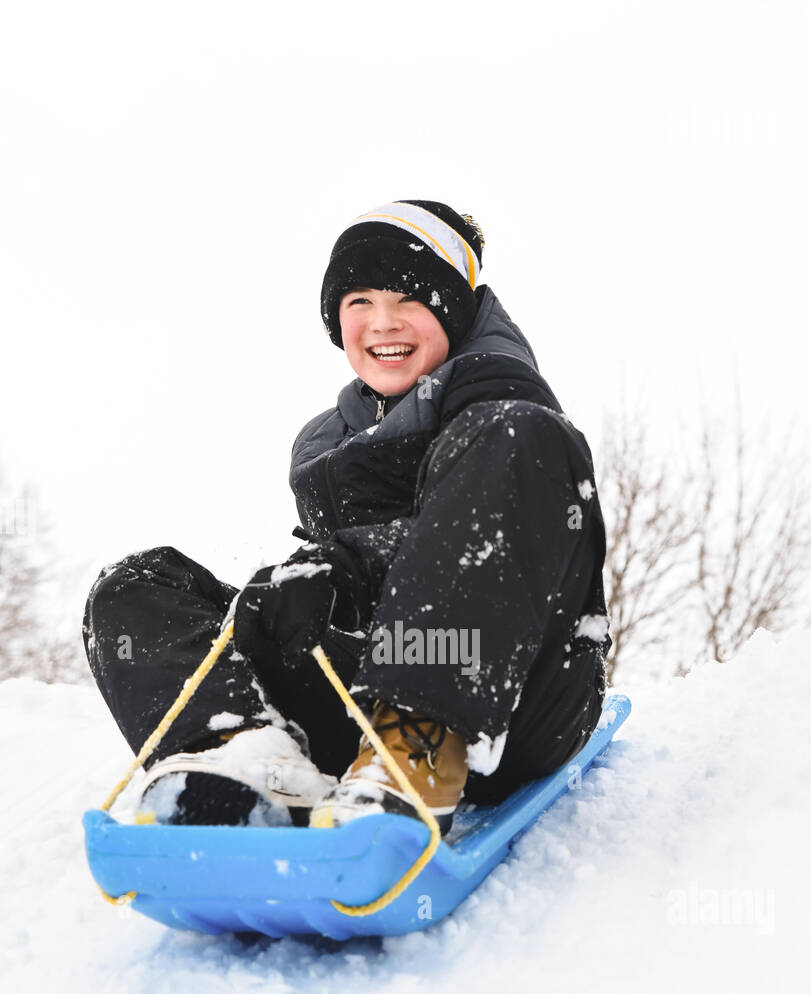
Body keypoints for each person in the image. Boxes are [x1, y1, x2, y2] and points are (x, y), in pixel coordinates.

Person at [82, 199, 610, 833]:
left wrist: (349, 567)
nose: (382, 323)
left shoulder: (510, 420)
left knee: (514, 434)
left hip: (512, 698)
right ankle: (246, 760)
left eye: (408, 299)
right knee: (135, 585)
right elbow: (343, 579)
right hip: (358, 697)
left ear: (451, 310)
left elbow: (457, 552)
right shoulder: (327, 443)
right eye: (359, 302)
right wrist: (292, 594)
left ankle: (417, 749)